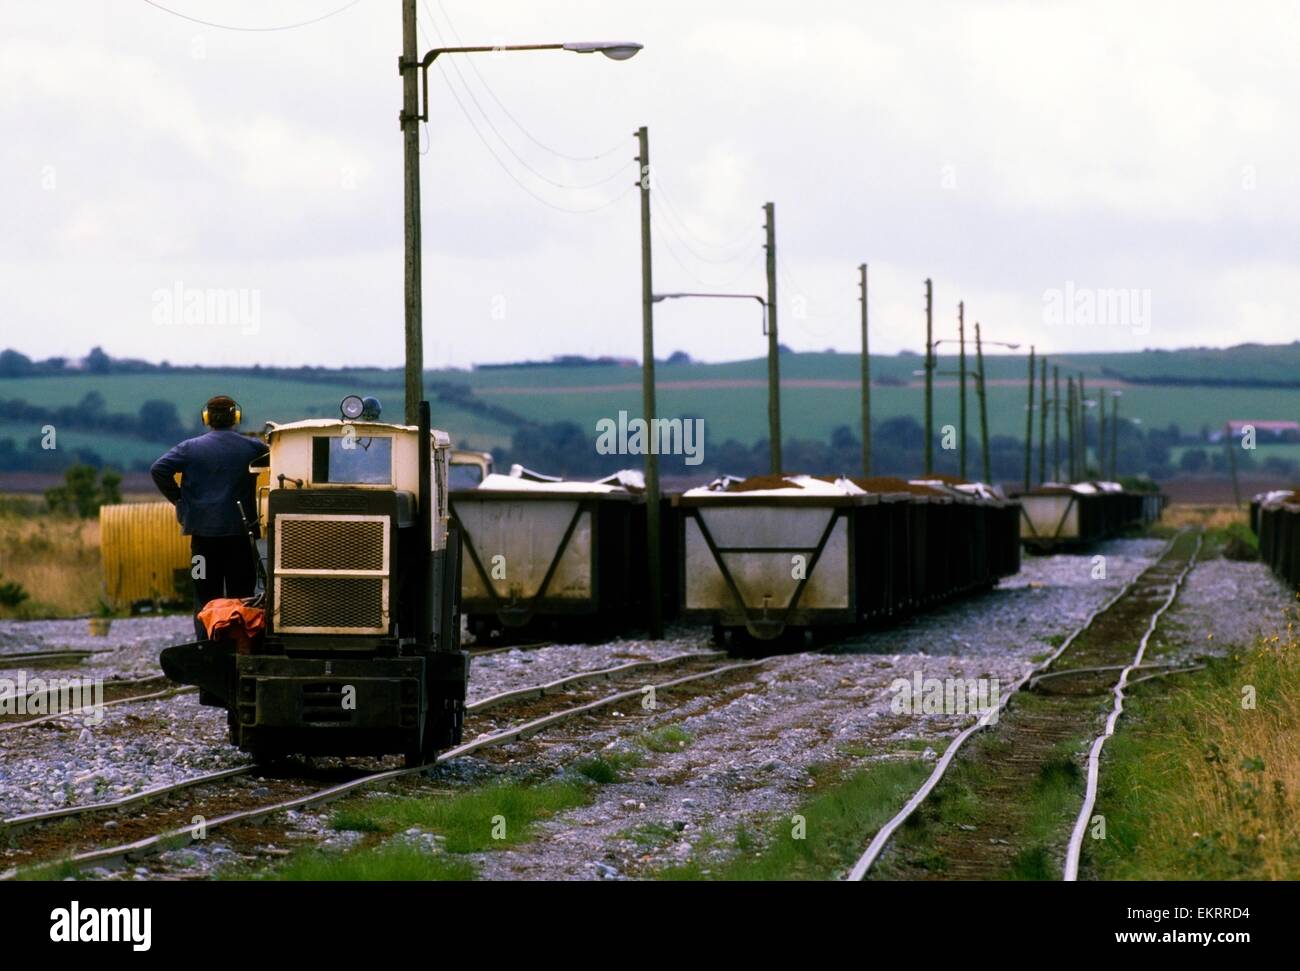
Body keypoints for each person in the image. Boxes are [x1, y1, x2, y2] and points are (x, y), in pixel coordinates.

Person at [151, 395, 268, 639]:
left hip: (202, 542)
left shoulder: (188, 448)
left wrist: (180, 500)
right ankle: (238, 649)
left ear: (207, 418)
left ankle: (205, 646)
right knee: (242, 596)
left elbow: (158, 469)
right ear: (236, 417)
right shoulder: (253, 447)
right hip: (240, 539)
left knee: (203, 593)